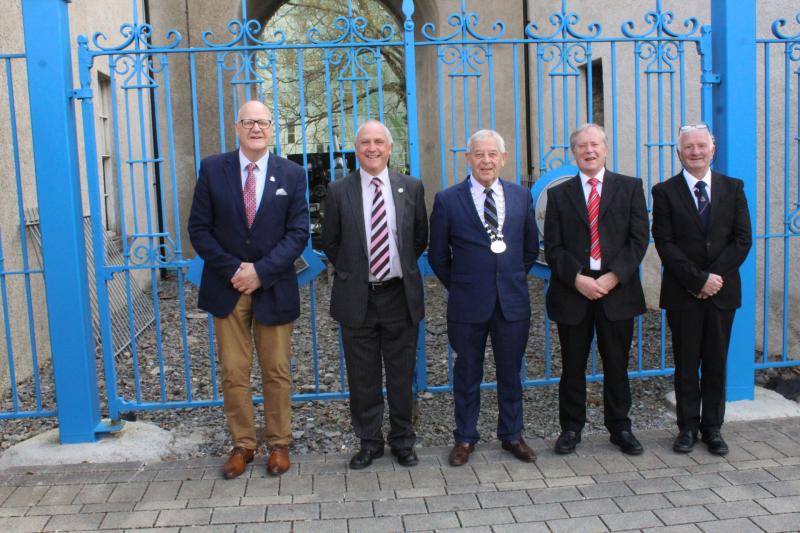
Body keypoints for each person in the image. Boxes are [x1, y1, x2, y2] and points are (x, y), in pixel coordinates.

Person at [188, 100, 309, 478]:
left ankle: (279, 443)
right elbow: (198, 230)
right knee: (233, 371)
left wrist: (261, 272)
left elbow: (298, 233)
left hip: (273, 285)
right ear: (237, 127)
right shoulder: (213, 169)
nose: (256, 128)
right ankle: (243, 444)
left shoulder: (292, 174)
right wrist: (235, 271)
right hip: (228, 287)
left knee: (276, 369)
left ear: (272, 128)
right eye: (248, 122)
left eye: (262, 122)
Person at [428, 129, 539, 466]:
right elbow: (438, 256)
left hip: (512, 302)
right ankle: (465, 437)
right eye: (479, 154)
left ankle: (512, 435)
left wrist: (508, 278)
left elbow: (530, 249)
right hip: (467, 303)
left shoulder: (521, 196)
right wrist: (463, 285)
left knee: (511, 372)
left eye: (493, 154)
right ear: (468, 159)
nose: (486, 161)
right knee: (467, 373)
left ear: (503, 159)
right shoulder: (448, 200)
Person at [321, 120, 428, 469]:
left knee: (401, 373)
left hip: (399, 295)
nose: (372, 148)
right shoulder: (339, 190)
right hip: (358, 297)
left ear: (390, 148)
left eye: (379, 142)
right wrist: (354, 271)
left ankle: (403, 440)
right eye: (365, 142)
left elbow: (418, 239)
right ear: (356, 149)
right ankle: (369, 442)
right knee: (362, 375)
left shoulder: (411, 187)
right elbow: (330, 241)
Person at [544, 123, 649, 456]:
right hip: (574, 290)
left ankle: (620, 428)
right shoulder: (559, 195)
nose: (589, 151)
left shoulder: (630, 187)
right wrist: (577, 278)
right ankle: (571, 428)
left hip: (616, 290)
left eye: (595, 145)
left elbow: (639, 239)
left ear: (605, 149)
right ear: (573, 152)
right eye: (582, 146)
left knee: (616, 364)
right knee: (572, 366)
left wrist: (614, 276)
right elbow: (553, 246)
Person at [652, 123, 752, 456]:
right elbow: (665, 242)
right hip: (683, 293)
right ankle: (687, 428)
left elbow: (742, 239)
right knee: (685, 363)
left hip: (722, 292)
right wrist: (697, 280)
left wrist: (713, 278)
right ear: (679, 153)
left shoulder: (733, 188)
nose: (695, 151)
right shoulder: (664, 192)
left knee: (715, 362)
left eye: (701, 145)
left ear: (713, 149)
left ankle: (713, 429)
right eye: (688, 147)